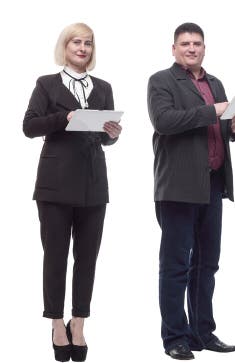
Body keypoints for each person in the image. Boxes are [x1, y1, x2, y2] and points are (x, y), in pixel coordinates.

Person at [147, 22, 235, 360]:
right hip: (178, 186)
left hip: (213, 184)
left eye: (197, 44)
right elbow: (164, 121)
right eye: (185, 43)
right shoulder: (161, 81)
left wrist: (234, 127)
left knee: (207, 264)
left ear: (204, 48)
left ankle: (202, 332)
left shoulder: (214, 83)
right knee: (176, 265)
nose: (192, 48)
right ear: (174, 49)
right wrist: (214, 111)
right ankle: (175, 337)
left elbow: (219, 128)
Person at [23, 22, 122, 362]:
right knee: (55, 256)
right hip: (55, 183)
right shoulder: (46, 84)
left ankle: (78, 321)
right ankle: (56, 323)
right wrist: (64, 116)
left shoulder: (103, 87)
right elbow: (29, 126)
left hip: (93, 184)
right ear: (64, 47)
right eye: (76, 42)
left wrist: (112, 133)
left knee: (87, 257)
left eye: (88, 43)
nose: (82, 48)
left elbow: (104, 138)